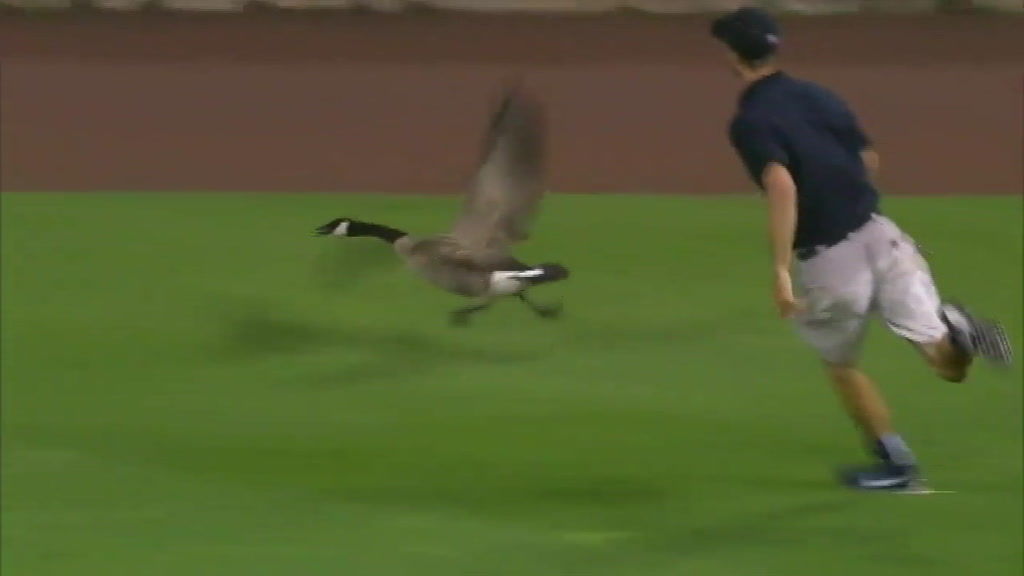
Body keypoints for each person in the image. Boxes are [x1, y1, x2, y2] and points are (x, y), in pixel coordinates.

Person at [709, 7, 1013, 491]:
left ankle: (897, 467)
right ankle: (960, 331)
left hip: (832, 260)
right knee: (945, 364)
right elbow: (867, 158)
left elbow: (781, 185)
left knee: (840, 362)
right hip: (880, 233)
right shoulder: (818, 94)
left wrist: (781, 270)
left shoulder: (751, 120)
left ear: (731, 54)